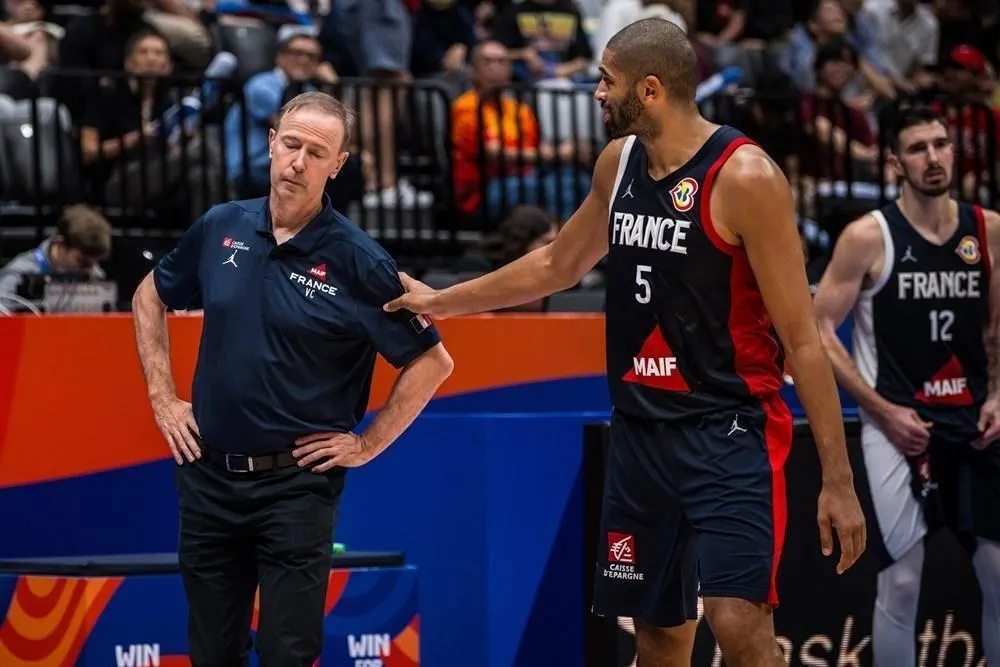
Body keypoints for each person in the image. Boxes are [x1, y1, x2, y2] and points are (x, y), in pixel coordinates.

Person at [385, 18, 865, 667]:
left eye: (606, 81)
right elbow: (558, 264)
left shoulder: (746, 177)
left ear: (650, 89)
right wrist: (444, 300)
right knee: (658, 635)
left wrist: (837, 477)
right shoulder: (619, 164)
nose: (596, 93)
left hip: (726, 429)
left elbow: (802, 340)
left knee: (738, 623)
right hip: (640, 431)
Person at [131, 91, 454, 667]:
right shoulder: (222, 225)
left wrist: (366, 444)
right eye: (291, 144)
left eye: (316, 151)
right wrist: (162, 398)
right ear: (272, 142)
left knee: (288, 653)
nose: (298, 161)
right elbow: (150, 294)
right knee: (211, 652)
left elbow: (432, 361)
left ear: (339, 165)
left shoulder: (360, 261)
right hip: (207, 477)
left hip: (295, 489)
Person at [812, 104, 1000, 667]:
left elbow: (997, 326)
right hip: (897, 429)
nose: (934, 157)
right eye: (918, 149)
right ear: (895, 162)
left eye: (941, 144)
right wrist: (881, 409)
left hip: (974, 422)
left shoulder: (988, 230)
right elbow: (818, 329)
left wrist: (998, 394)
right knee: (900, 582)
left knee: (996, 573)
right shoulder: (867, 237)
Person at [0, 204, 111, 297]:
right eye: (82, 262)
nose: (90, 269)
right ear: (60, 244)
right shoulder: (18, 274)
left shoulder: (95, 275)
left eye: (93, 263)